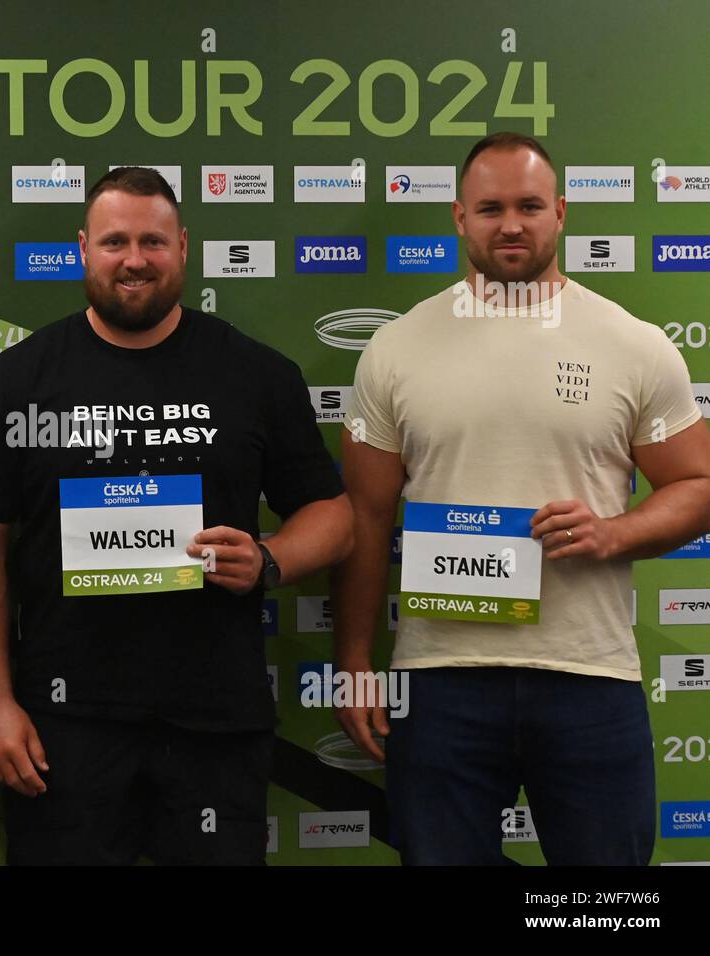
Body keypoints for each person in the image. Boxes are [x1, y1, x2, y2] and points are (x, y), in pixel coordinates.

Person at [0, 166, 353, 865]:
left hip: (214, 725)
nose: (134, 260)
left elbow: (335, 515)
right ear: (82, 248)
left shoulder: (256, 375)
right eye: (114, 242)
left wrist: (269, 558)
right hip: (62, 724)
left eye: (153, 242)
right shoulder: (16, 382)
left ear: (184, 247)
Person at [332, 132, 710, 865]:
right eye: (492, 207)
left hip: (589, 678)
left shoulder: (632, 344)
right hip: (440, 682)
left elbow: (698, 484)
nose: (511, 223)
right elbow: (366, 519)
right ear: (459, 218)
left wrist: (614, 532)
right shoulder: (397, 349)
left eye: (530, 205)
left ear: (561, 213)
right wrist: (353, 659)